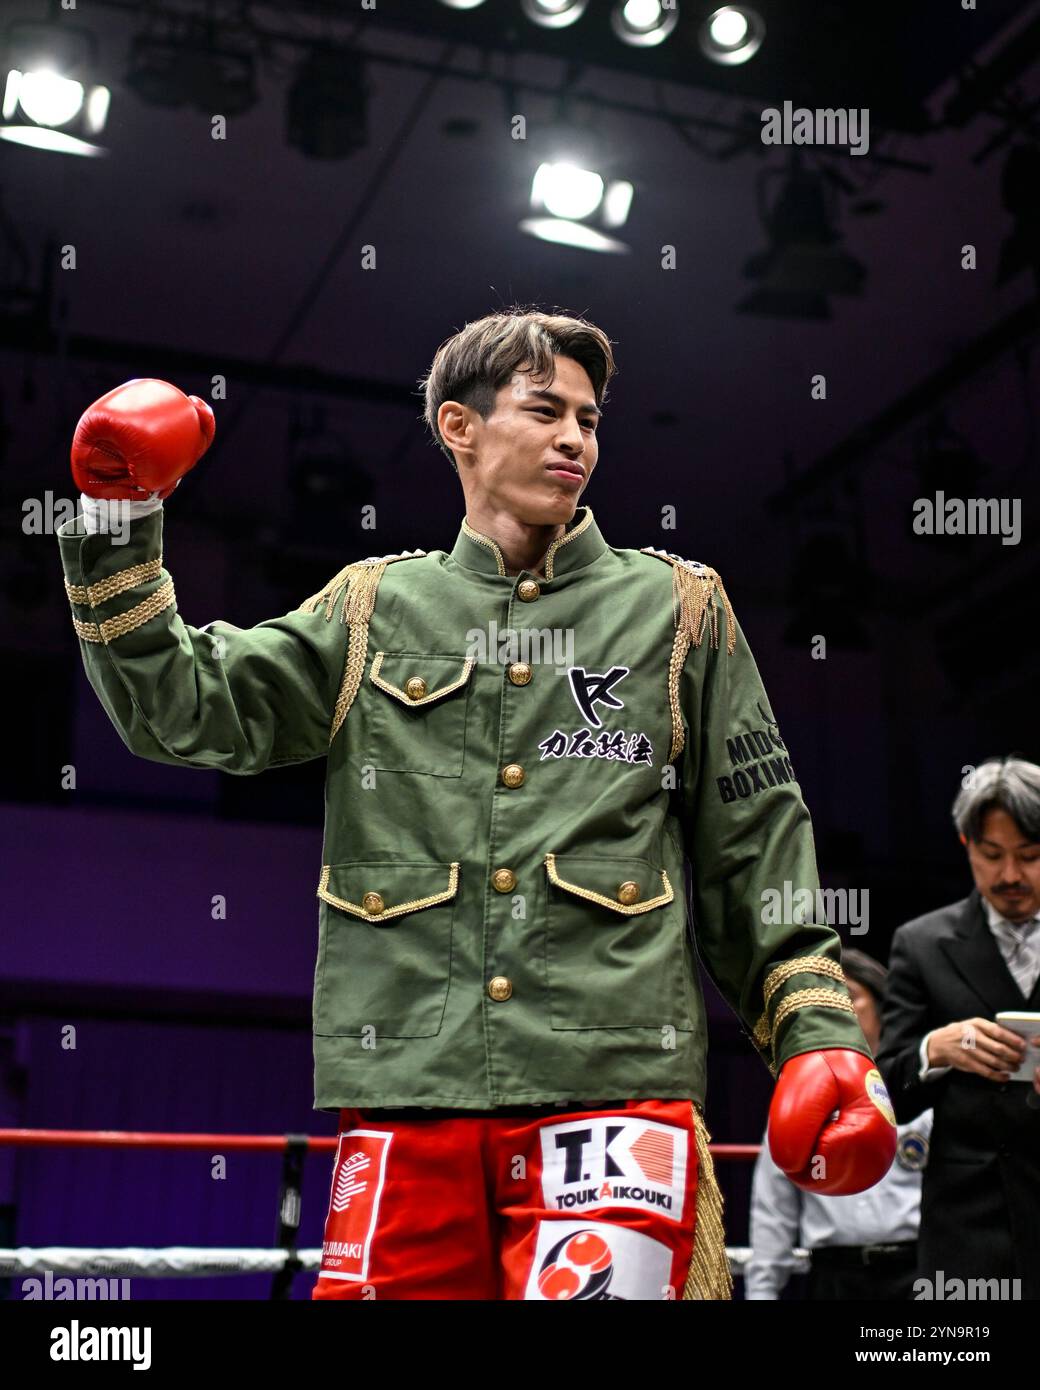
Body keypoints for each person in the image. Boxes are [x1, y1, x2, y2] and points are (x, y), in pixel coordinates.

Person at [57, 308, 896, 1301]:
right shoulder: (372, 607)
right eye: (546, 410)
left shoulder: (677, 610)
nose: (576, 438)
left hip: (612, 1096)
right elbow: (185, 711)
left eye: (589, 419)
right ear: (459, 426)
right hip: (408, 1092)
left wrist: (818, 1036)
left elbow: (753, 845)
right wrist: (118, 522)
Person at [876, 756, 1040, 1301]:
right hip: (968, 1227)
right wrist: (934, 1048)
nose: (1011, 875)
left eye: (1032, 856)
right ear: (966, 845)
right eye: (992, 856)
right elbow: (885, 1092)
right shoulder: (921, 944)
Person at [746, 949, 932, 1300]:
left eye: (849, 996)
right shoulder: (798, 1099)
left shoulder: (916, 1091)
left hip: (918, 1272)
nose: (839, 1009)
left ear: (880, 1007)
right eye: (828, 1000)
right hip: (834, 1278)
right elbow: (774, 1211)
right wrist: (762, 1294)